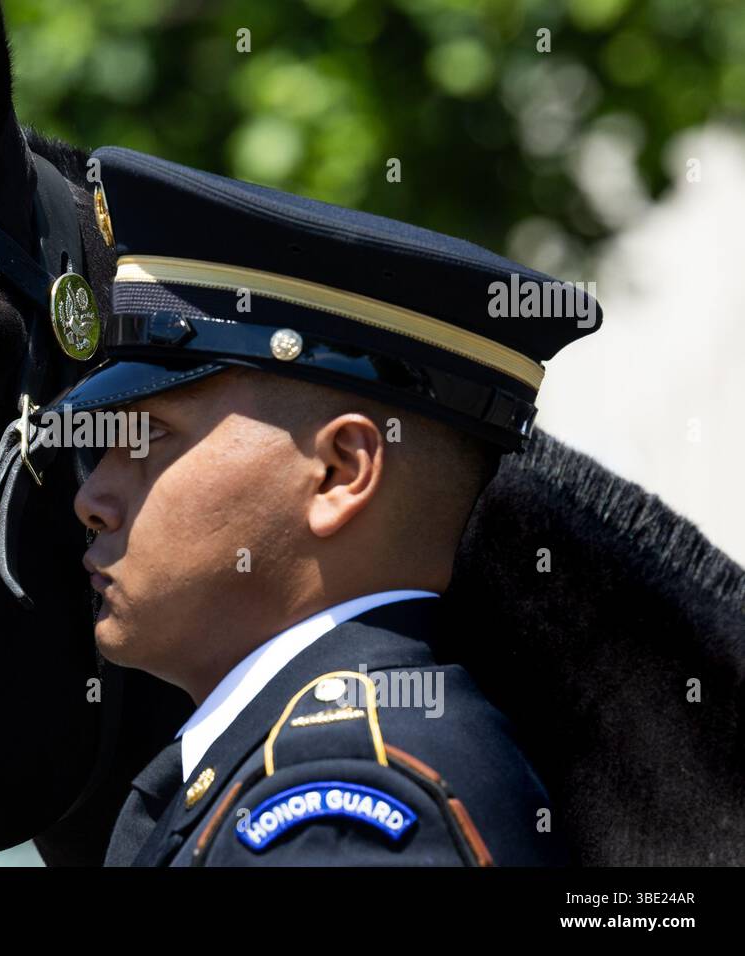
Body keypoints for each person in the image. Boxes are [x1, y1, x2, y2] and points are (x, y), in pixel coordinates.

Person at [60, 146, 601, 866]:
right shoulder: (287, 762)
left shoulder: (338, 809)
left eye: (152, 436)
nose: (92, 499)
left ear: (340, 472)